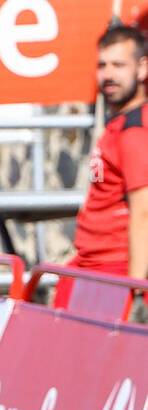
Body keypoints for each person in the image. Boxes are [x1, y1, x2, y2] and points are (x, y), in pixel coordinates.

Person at [68, 24, 148, 283]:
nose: (109, 74)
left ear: (142, 68)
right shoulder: (118, 125)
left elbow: (144, 212)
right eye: (102, 65)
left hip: (115, 269)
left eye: (119, 65)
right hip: (90, 263)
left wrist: (134, 288)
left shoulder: (134, 131)